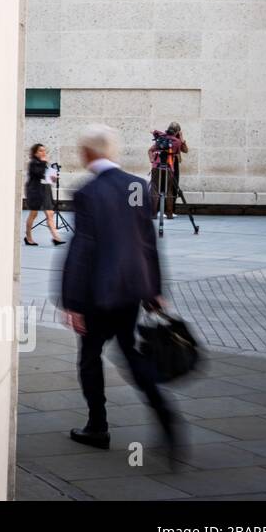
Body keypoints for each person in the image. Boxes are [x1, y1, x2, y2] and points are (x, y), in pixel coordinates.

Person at [58, 124, 180, 457]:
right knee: (131, 354)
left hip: (99, 294)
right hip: (130, 292)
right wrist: (153, 289)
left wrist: (72, 302)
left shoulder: (87, 192)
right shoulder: (138, 186)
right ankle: (165, 413)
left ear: (87, 154)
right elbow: (147, 243)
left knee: (89, 358)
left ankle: (97, 426)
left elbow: (82, 248)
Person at [23, 143, 65, 246]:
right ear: (35, 152)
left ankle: (56, 237)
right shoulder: (33, 163)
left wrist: (53, 177)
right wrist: (43, 163)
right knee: (33, 214)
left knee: (50, 213)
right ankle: (28, 237)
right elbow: (37, 173)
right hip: (35, 191)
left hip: (45, 190)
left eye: (44, 150)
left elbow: (45, 176)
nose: (43, 153)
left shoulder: (43, 163)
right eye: (40, 151)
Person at [147, 122, 189, 219]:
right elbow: (184, 150)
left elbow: (151, 149)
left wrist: (152, 160)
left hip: (157, 166)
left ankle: (153, 214)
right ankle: (169, 214)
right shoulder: (177, 142)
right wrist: (180, 139)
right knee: (169, 190)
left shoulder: (161, 137)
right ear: (177, 131)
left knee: (155, 189)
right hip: (169, 167)